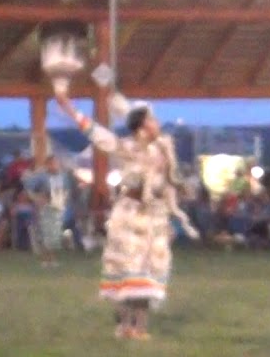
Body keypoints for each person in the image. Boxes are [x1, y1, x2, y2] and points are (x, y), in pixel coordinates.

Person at [53, 86, 189, 341]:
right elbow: (95, 133)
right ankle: (126, 325)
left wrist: (176, 194)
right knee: (127, 268)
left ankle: (139, 327)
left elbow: (168, 181)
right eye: (152, 120)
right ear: (142, 127)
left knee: (151, 269)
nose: (158, 124)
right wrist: (69, 107)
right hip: (129, 217)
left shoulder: (163, 150)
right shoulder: (126, 147)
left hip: (154, 217)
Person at [23, 155, 71, 267]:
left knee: (55, 232)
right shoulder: (41, 177)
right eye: (52, 163)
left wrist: (64, 199)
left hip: (58, 206)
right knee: (45, 232)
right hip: (45, 207)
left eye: (56, 163)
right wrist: (36, 198)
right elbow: (28, 187)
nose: (55, 166)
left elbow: (67, 189)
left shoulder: (63, 176)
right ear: (47, 165)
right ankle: (45, 259)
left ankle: (53, 258)